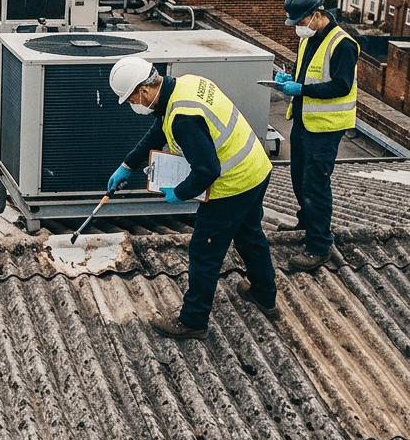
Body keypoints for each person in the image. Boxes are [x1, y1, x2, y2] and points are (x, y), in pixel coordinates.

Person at [106, 57, 280, 340]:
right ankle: (264, 294)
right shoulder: (185, 85)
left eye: (131, 99)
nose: (132, 104)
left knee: (204, 250)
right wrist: (128, 164)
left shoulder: (183, 118)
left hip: (233, 183)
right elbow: (159, 131)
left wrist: (180, 193)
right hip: (256, 167)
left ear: (144, 90)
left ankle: (193, 321)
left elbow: (207, 170)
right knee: (249, 234)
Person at [277, 0, 359, 271]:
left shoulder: (342, 44)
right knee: (299, 178)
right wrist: (289, 79)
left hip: (325, 127)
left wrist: (301, 89)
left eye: (301, 21)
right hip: (303, 121)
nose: (299, 27)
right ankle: (305, 224)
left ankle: (319, 246)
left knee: (316, 185)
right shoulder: (308, 38)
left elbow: (341, 85)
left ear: (317, 14)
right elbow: (306, 74)